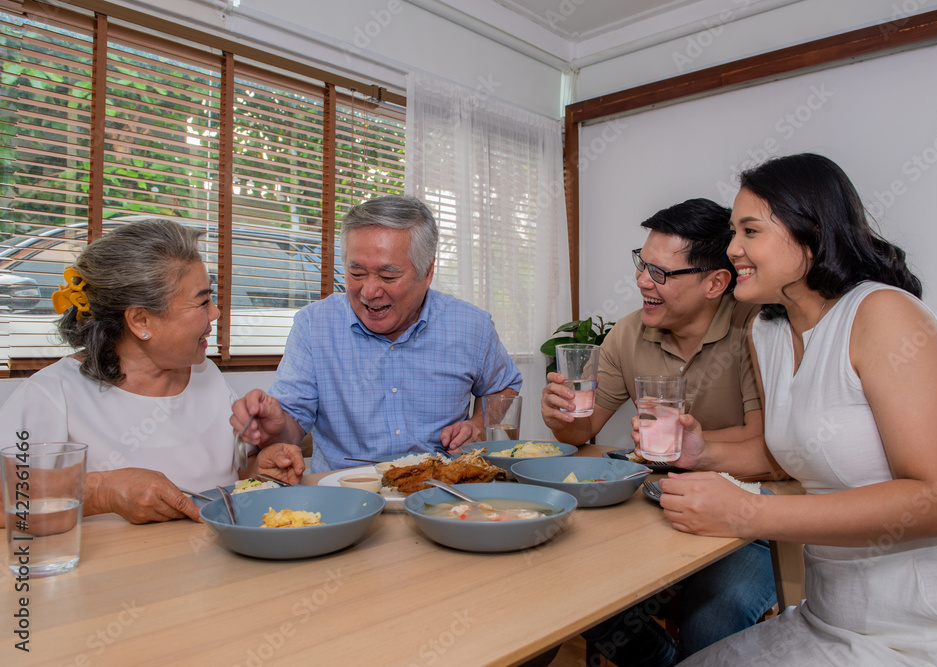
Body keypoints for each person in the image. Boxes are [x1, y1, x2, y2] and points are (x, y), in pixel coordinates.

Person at [661, 154, 937, 665]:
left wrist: (750, 513)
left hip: (932, 629)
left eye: (749, 231)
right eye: (734, 232)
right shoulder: (766, 330)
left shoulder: (884, 314)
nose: (732, 249)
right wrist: (704, 451)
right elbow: (792, 450)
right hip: (829, 619)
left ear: (812, 231)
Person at [540, 199, 776, 665]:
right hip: (659, 506)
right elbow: (581, 432)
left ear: (715, 282)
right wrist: (560, 415)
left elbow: (768, 449)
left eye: (661, 273)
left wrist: (688, 448)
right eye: (642, 264)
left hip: (753, 517)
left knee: (713, 615)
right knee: (574, 584)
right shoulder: (627, 335)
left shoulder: (755, 329)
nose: (642, 280)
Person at [0, 219, 303, 525]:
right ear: (141, 321)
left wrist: (260, 473)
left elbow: (231, 481)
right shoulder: (52, 396)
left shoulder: (206, 376)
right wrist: (101, 492)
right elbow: (6, 497)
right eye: (202, 301)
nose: (215, 312)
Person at [233, 195, 522, 471]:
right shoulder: (313, 326)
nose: (369, 291)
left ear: (428, 271)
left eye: (388, 276)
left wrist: (479, 424)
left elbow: (503, 389)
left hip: (442, 494)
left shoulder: (471, 326)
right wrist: (274, 427)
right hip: (345, 500)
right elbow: (289, 430)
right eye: (356, 274)